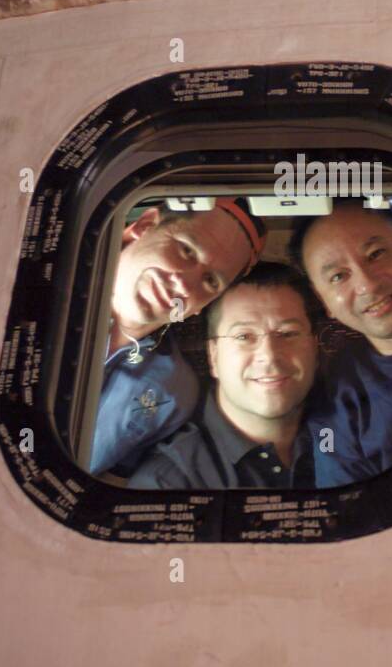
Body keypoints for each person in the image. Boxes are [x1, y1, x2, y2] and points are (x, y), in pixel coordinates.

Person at [89, 198, 266, 478]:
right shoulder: (30, 298)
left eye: (210, 281)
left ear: (200, 307)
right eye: (185, 250)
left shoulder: (175, 393)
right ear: (144, 226)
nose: (184, 284)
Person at [127, 262, 319, 490]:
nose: (269, 356)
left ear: (315, 347)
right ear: (213, 356)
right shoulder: (169, 485)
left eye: (288, 334)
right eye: (244, 336)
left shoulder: (339, 434)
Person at [292, 201, 392, 486]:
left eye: (376, 254)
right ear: (322, 299)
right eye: (338, 276)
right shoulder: (337, 399)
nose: (367, 285)